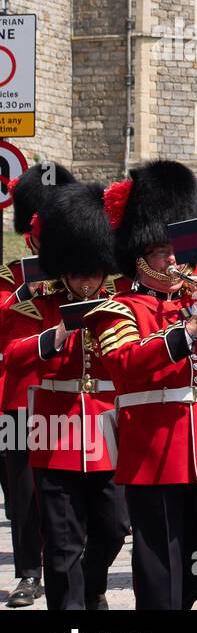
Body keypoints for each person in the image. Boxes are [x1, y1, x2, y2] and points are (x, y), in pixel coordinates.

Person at [85, 160, 197, 609]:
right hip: (155, 447)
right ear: (140, 255)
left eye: (176, 249)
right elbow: (124, 364)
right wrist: (187, 332)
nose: (173, 259)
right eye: (163, 252)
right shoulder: (117, 308)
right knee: (159, 559)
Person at [2, 182, 128, 609]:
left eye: (94, 272)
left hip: (105, 434)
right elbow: (13, 355)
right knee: (59, 545)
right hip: (51, 435)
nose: (87, 281)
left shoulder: (118, 303)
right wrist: (54, 335)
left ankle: (93, 586)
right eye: (78, 272)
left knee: (112, 528)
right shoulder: (41, 306)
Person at [0, 161, 75, 607]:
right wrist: (26, 292)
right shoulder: (11, 279)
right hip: (18, 400)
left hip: (71, 397)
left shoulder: (81, 278)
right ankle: (29, 571)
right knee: (22, 492)